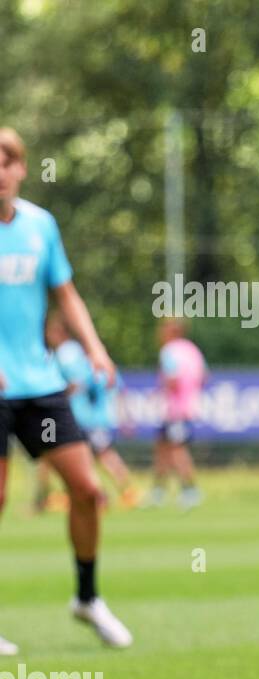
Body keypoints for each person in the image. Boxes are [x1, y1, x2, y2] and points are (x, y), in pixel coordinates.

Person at [0, 126, 133, 651]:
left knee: (87, 490)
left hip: (39, 383)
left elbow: (67, 294)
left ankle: (86, 597)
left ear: (22, 169)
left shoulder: (40, 226)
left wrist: (95, 347)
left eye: (7, 162)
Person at [33, 311, 138, 512]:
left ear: (58, 331)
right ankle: (58, 496)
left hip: (74, 415)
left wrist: (53, 396)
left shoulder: (66, 354)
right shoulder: (78, 351)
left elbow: (77, 383)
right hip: (81, 415)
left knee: (87, 455)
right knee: (81, 455)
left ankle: (109, 493)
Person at [147, 316, 205, 510]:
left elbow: (172, 380)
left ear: (172, 331)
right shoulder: (192, 349)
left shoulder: (169, 351)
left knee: (177, 451)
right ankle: (158, 491)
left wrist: (158, 393)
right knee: (162, 449)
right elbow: (204, 376)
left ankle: (190, 490)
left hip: (175, 410)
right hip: (188, 407)